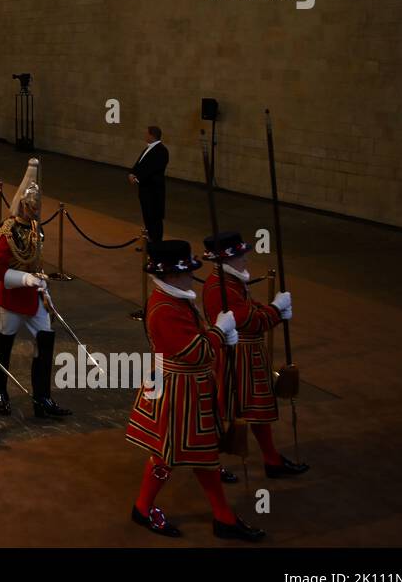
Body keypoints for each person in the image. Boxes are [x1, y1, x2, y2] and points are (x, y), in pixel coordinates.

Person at [125, 239, 265, 541]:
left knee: (201, 453)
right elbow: (195, 352)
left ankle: (222, 515)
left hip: (189, 388)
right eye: (187, 270)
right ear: (173, 275)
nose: (192, 276)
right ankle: (144, 507)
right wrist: (219, 330)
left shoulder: (175, 299)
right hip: (179, 390)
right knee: (168, 456)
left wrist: (217, 334)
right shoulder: (165, 308)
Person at [201, 231, 308, 478]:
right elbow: (250, 321)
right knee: (225, 412)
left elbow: (253, 309)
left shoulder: (232, 283)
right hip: (236, 355)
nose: (246, 260)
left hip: (248, 355)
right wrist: (276, 309)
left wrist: (276, 312)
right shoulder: (220, 288)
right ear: (226, 260)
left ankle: (271, 459)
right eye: (240, 256)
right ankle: (212, 465)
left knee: (257, 410)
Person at [0, 159, 70, 418]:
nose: (35, 211)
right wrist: (25, 280)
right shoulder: (6, 233)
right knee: (4, 346)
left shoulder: (37, 229)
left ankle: (42, 397)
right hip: (13, 298)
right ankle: (0, 392)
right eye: (31, 206)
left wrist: (40, 283)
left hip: (35, 298)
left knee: (44, 344)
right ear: (22, 204)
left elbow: (35, 259)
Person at [129, 125, 168, 244]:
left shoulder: (161, 150)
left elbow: (153, 169)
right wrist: (132, 173)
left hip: (154, 192)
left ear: (152, 135)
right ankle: (150, 243)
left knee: (154, 218)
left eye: (146, 134)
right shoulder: (148, 148)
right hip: (145, 191)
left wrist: (137, 179)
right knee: (147, 217)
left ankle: (156, 244)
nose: (145, 136)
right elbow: (139, 164)